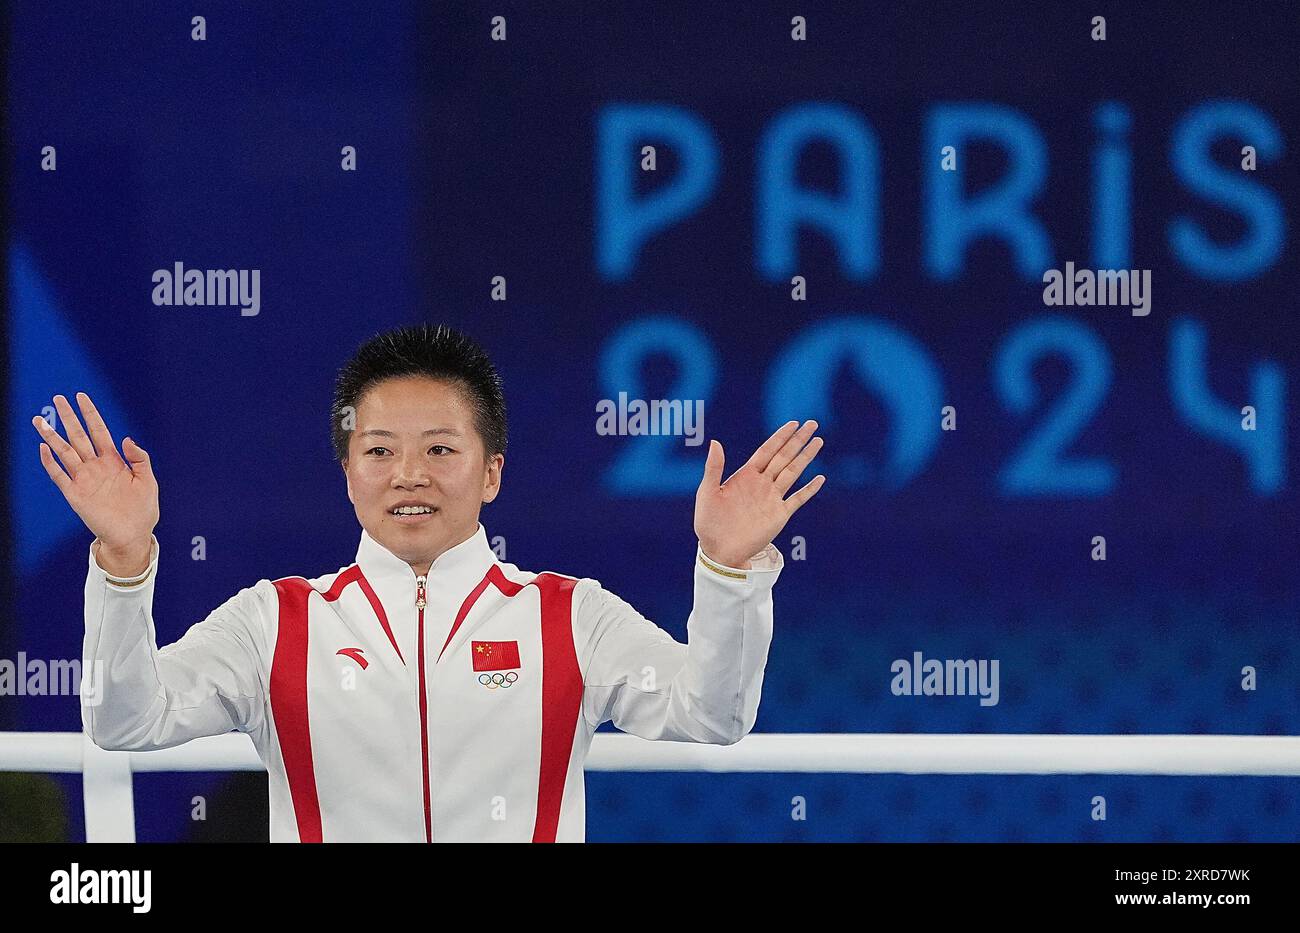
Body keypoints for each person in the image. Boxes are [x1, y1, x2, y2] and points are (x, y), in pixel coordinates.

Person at [32, 323, 825, 842]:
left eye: (441, 449)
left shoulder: (570, 616)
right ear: (348, 474)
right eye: (378, 450)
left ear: (492, 473)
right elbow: (126, 723)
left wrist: (726, 572)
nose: (409, 473)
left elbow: (713, 715)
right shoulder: (274, 620)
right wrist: (125, 557)